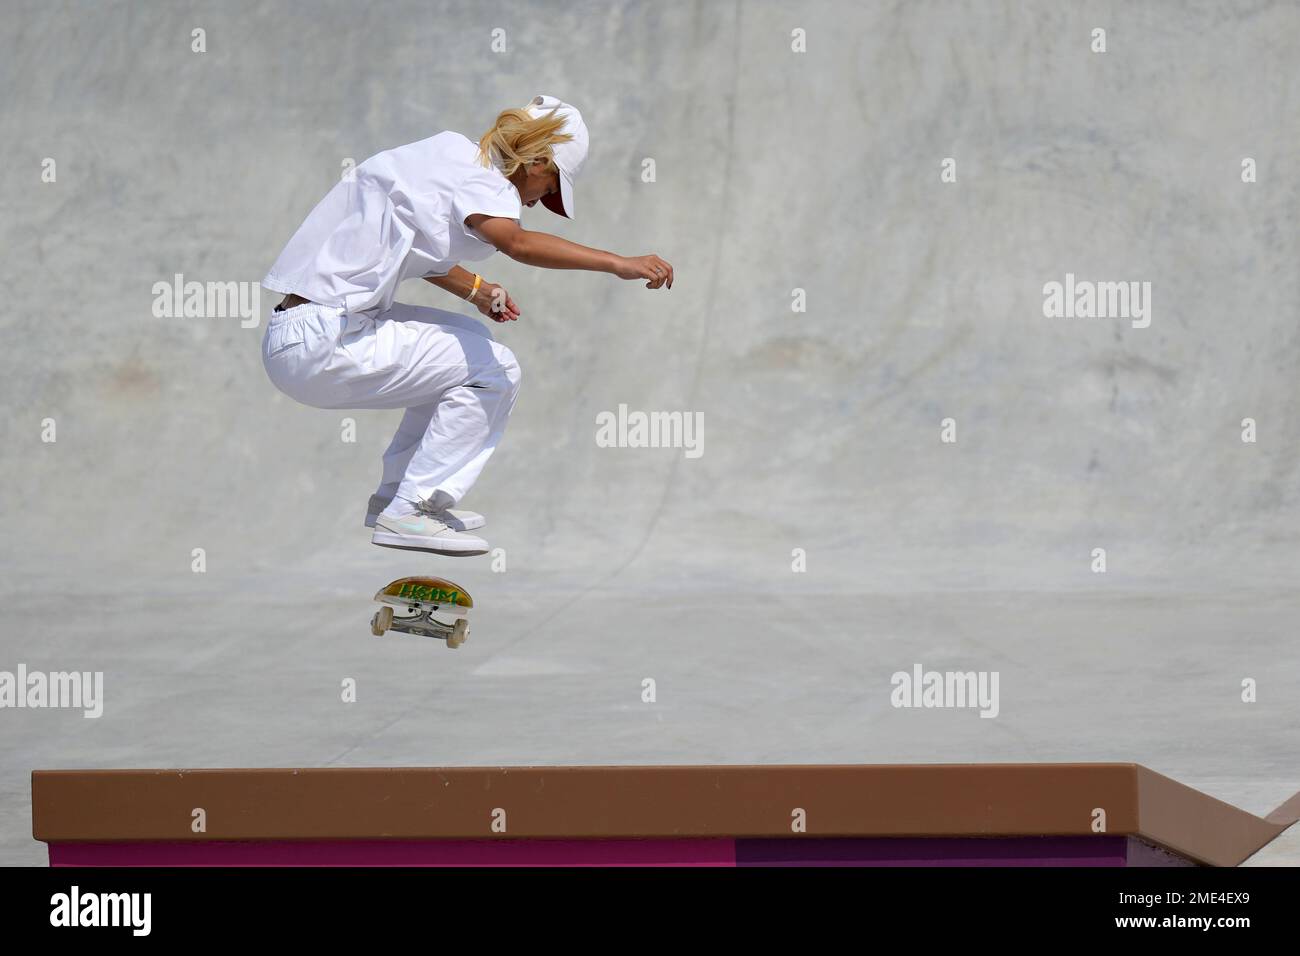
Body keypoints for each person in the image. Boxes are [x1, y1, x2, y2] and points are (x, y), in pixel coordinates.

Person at [261, 95, 673, 555]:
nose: (540, 203)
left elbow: (419, 244)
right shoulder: (485, 178)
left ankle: (395, 498)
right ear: (537, 160)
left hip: (301, 334)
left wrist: (477, 290)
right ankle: (411, 510)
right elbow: (516, 242)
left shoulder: (444, 156)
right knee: (496, 370)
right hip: (327, 341)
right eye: (551, 187)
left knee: (473, 341)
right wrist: (618, 263)